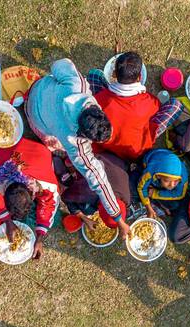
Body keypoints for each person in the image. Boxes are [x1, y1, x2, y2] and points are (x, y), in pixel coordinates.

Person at [26, 58, 127, 238]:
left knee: (94, 73)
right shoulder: (74, 143)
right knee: (56, 147)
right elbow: (99, 181)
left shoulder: (77, 84)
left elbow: (57, 64)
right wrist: (118, 218)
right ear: (83, 135)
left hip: (37, 90)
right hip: (36, 121)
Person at [92, 51, 183, 162]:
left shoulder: (100, 99)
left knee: (95, 74)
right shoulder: (148, 101)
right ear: (140, 77)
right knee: (176, 105)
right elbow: (157, 109)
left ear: (114, 74)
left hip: (108, 148)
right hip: (138, 150)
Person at [0, 138, 60, 252]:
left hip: (42, 151)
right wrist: (7, 221)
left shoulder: (48, 185)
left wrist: (40, 237)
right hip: (13, 144)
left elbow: (49, 204)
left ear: (32, 192)